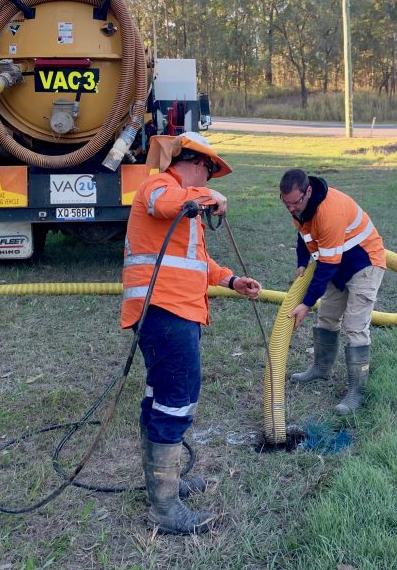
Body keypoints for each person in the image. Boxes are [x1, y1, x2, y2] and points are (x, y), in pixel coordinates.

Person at [122, 131, 261, 535]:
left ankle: (164, 485)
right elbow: (163, 203)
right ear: (198, 164)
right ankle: (164, 508)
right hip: (164, 311)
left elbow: (197, 261)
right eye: (209, 175)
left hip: (175, 312)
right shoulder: (161, 186)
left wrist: (231, 279)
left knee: (161, 394)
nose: (209, 183)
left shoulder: (186, 207)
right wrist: (203, 199)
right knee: (176, 399)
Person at [279, 168, 386, 415]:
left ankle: (356, 391)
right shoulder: (299, 207)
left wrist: (305, 303)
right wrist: (301, 262)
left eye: (294, 203)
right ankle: (321, 369)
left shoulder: (330, 212)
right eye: (285, 203)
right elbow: (303, 234)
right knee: (327, 316)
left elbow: (327, 264)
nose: (291, 209)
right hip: (338, 264)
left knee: (355, 326)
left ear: (307, 192)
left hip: (364, 263)